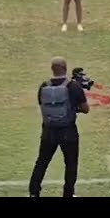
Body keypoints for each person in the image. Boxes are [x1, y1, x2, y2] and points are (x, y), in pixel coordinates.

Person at [28, 57, 89, 198]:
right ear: (65, 68)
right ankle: (68, 193)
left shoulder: (43, 86)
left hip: (48, 131)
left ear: (52, 69)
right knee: (70, 163)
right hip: (68, 131)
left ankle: (33, 191)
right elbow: (85, 109)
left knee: (42, 161)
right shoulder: (72, 86)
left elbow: (42, 105)